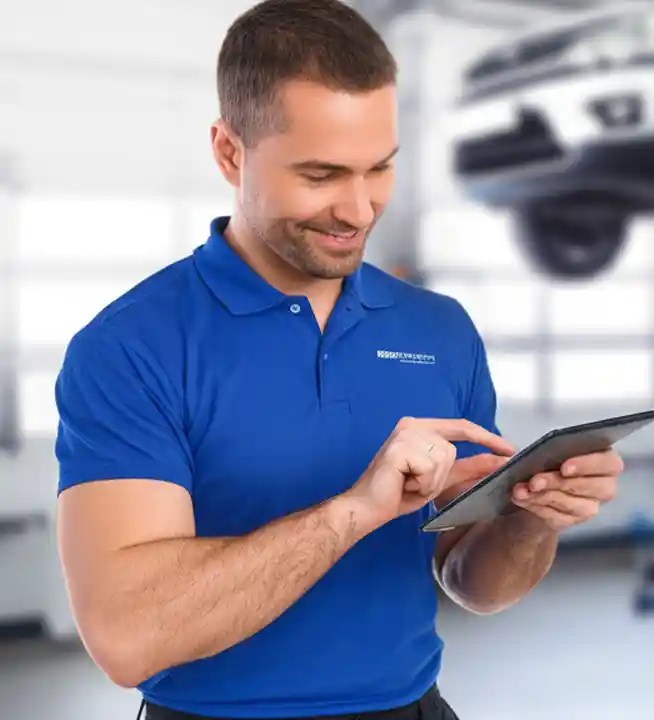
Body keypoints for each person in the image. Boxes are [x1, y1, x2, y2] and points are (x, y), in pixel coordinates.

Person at [53, 1, 625, 718]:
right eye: (321, 175)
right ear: (230, 152)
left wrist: (529, 518)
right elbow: (128, 638)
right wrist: (356, 511)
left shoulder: (440, 330)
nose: (358, 210)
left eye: (378, 168)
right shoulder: (131, 346)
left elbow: (474, 585)